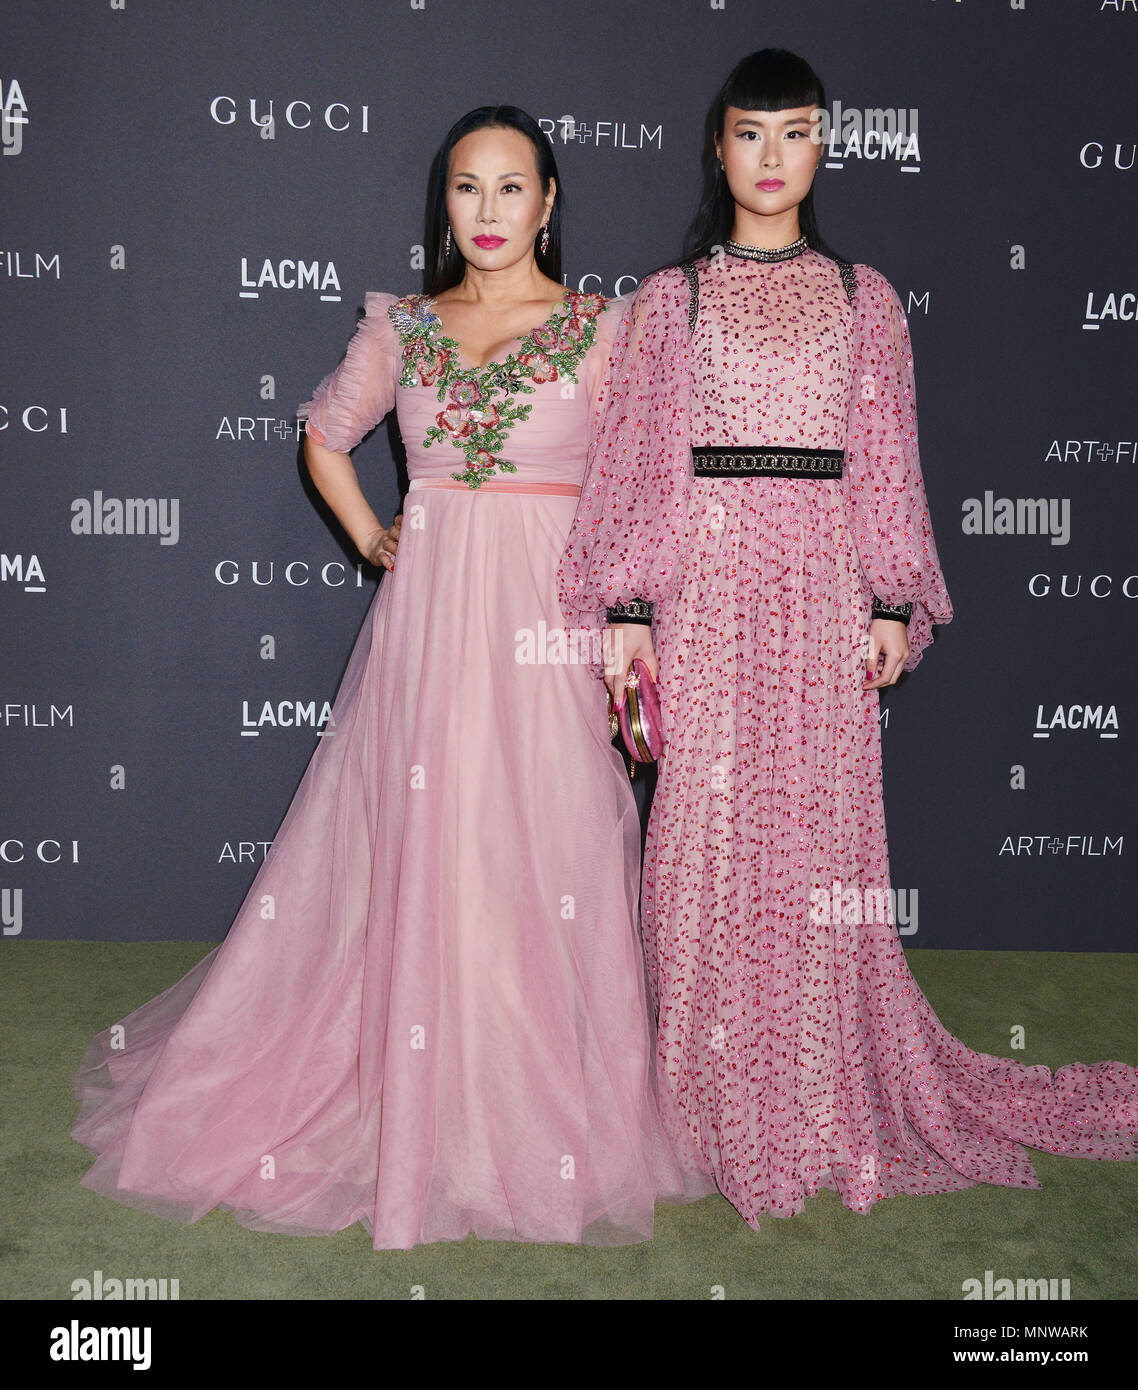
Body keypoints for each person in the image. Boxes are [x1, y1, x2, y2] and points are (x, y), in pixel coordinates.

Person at [71, 105, 714, 1250]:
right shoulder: (403, 329)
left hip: (550, 617)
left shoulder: (604, 329)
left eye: (511, 188)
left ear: (551, 202)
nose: (486, 211)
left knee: (555, 842)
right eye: (466, 188)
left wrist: (629, 615)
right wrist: (376, 535)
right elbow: (326, 436)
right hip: (429, 625)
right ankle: (421, 1107)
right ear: (444, 202)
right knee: (427, 846)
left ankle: (540, 1108)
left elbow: (645, 481)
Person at [558, 49, 1138, 1231]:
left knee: (817, 849)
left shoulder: (866, 298)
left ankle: (818, 1100)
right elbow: (634, 468)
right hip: (707, 591)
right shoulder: (668, 304)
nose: (772, 159)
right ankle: (696, 1106)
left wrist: (888, 599)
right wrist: (626, 611)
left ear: (823, 147)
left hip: (822, 590)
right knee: (699, 843)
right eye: (750, 134)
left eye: (796, 134)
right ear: (716, 148)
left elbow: (885, 461)